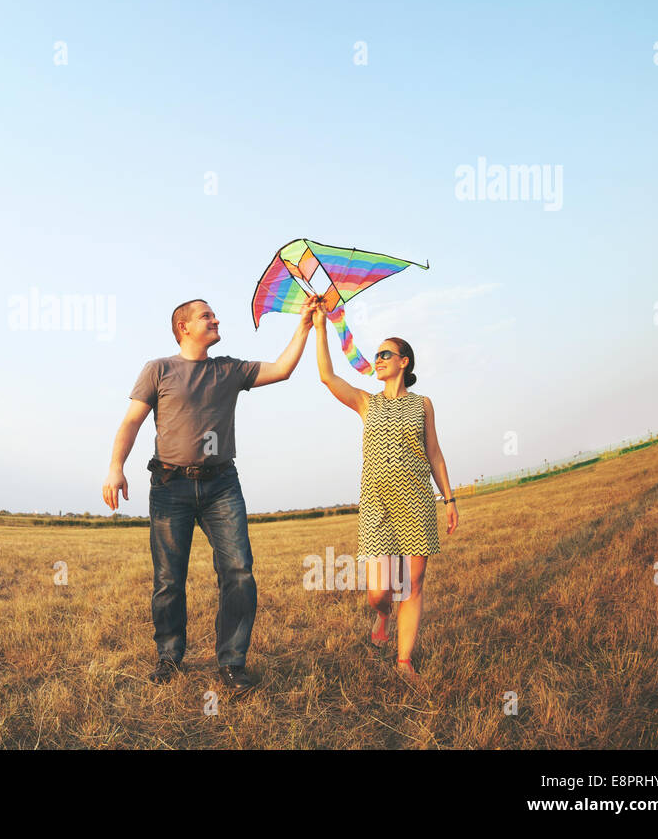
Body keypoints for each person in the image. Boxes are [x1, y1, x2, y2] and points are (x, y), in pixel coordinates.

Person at [102, 294, 320, 692]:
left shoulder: (230, 370)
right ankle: (169, 657)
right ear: (184, 326)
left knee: (237, 571)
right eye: (207, 315)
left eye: (215, 314)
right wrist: (116, 467)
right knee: (169, 578)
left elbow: (283, 369)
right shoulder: (158, 370)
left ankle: (233, 662)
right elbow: (132, 421)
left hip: (222, 484)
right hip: (170, 485)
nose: (216, 319)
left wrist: (304, 325)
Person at [311, 303, 459, 680]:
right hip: (377, 506)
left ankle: (404, 661)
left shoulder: (422, 404)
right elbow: (328, 377)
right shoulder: (366, 402)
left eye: (384, 354)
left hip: (418, 503)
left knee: (413, 584)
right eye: (375, 355)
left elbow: (435, 453)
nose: (376, 360)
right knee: (379, 590)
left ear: (404, 362)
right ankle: (382, 614)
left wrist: (450, 498)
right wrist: (320, 328)